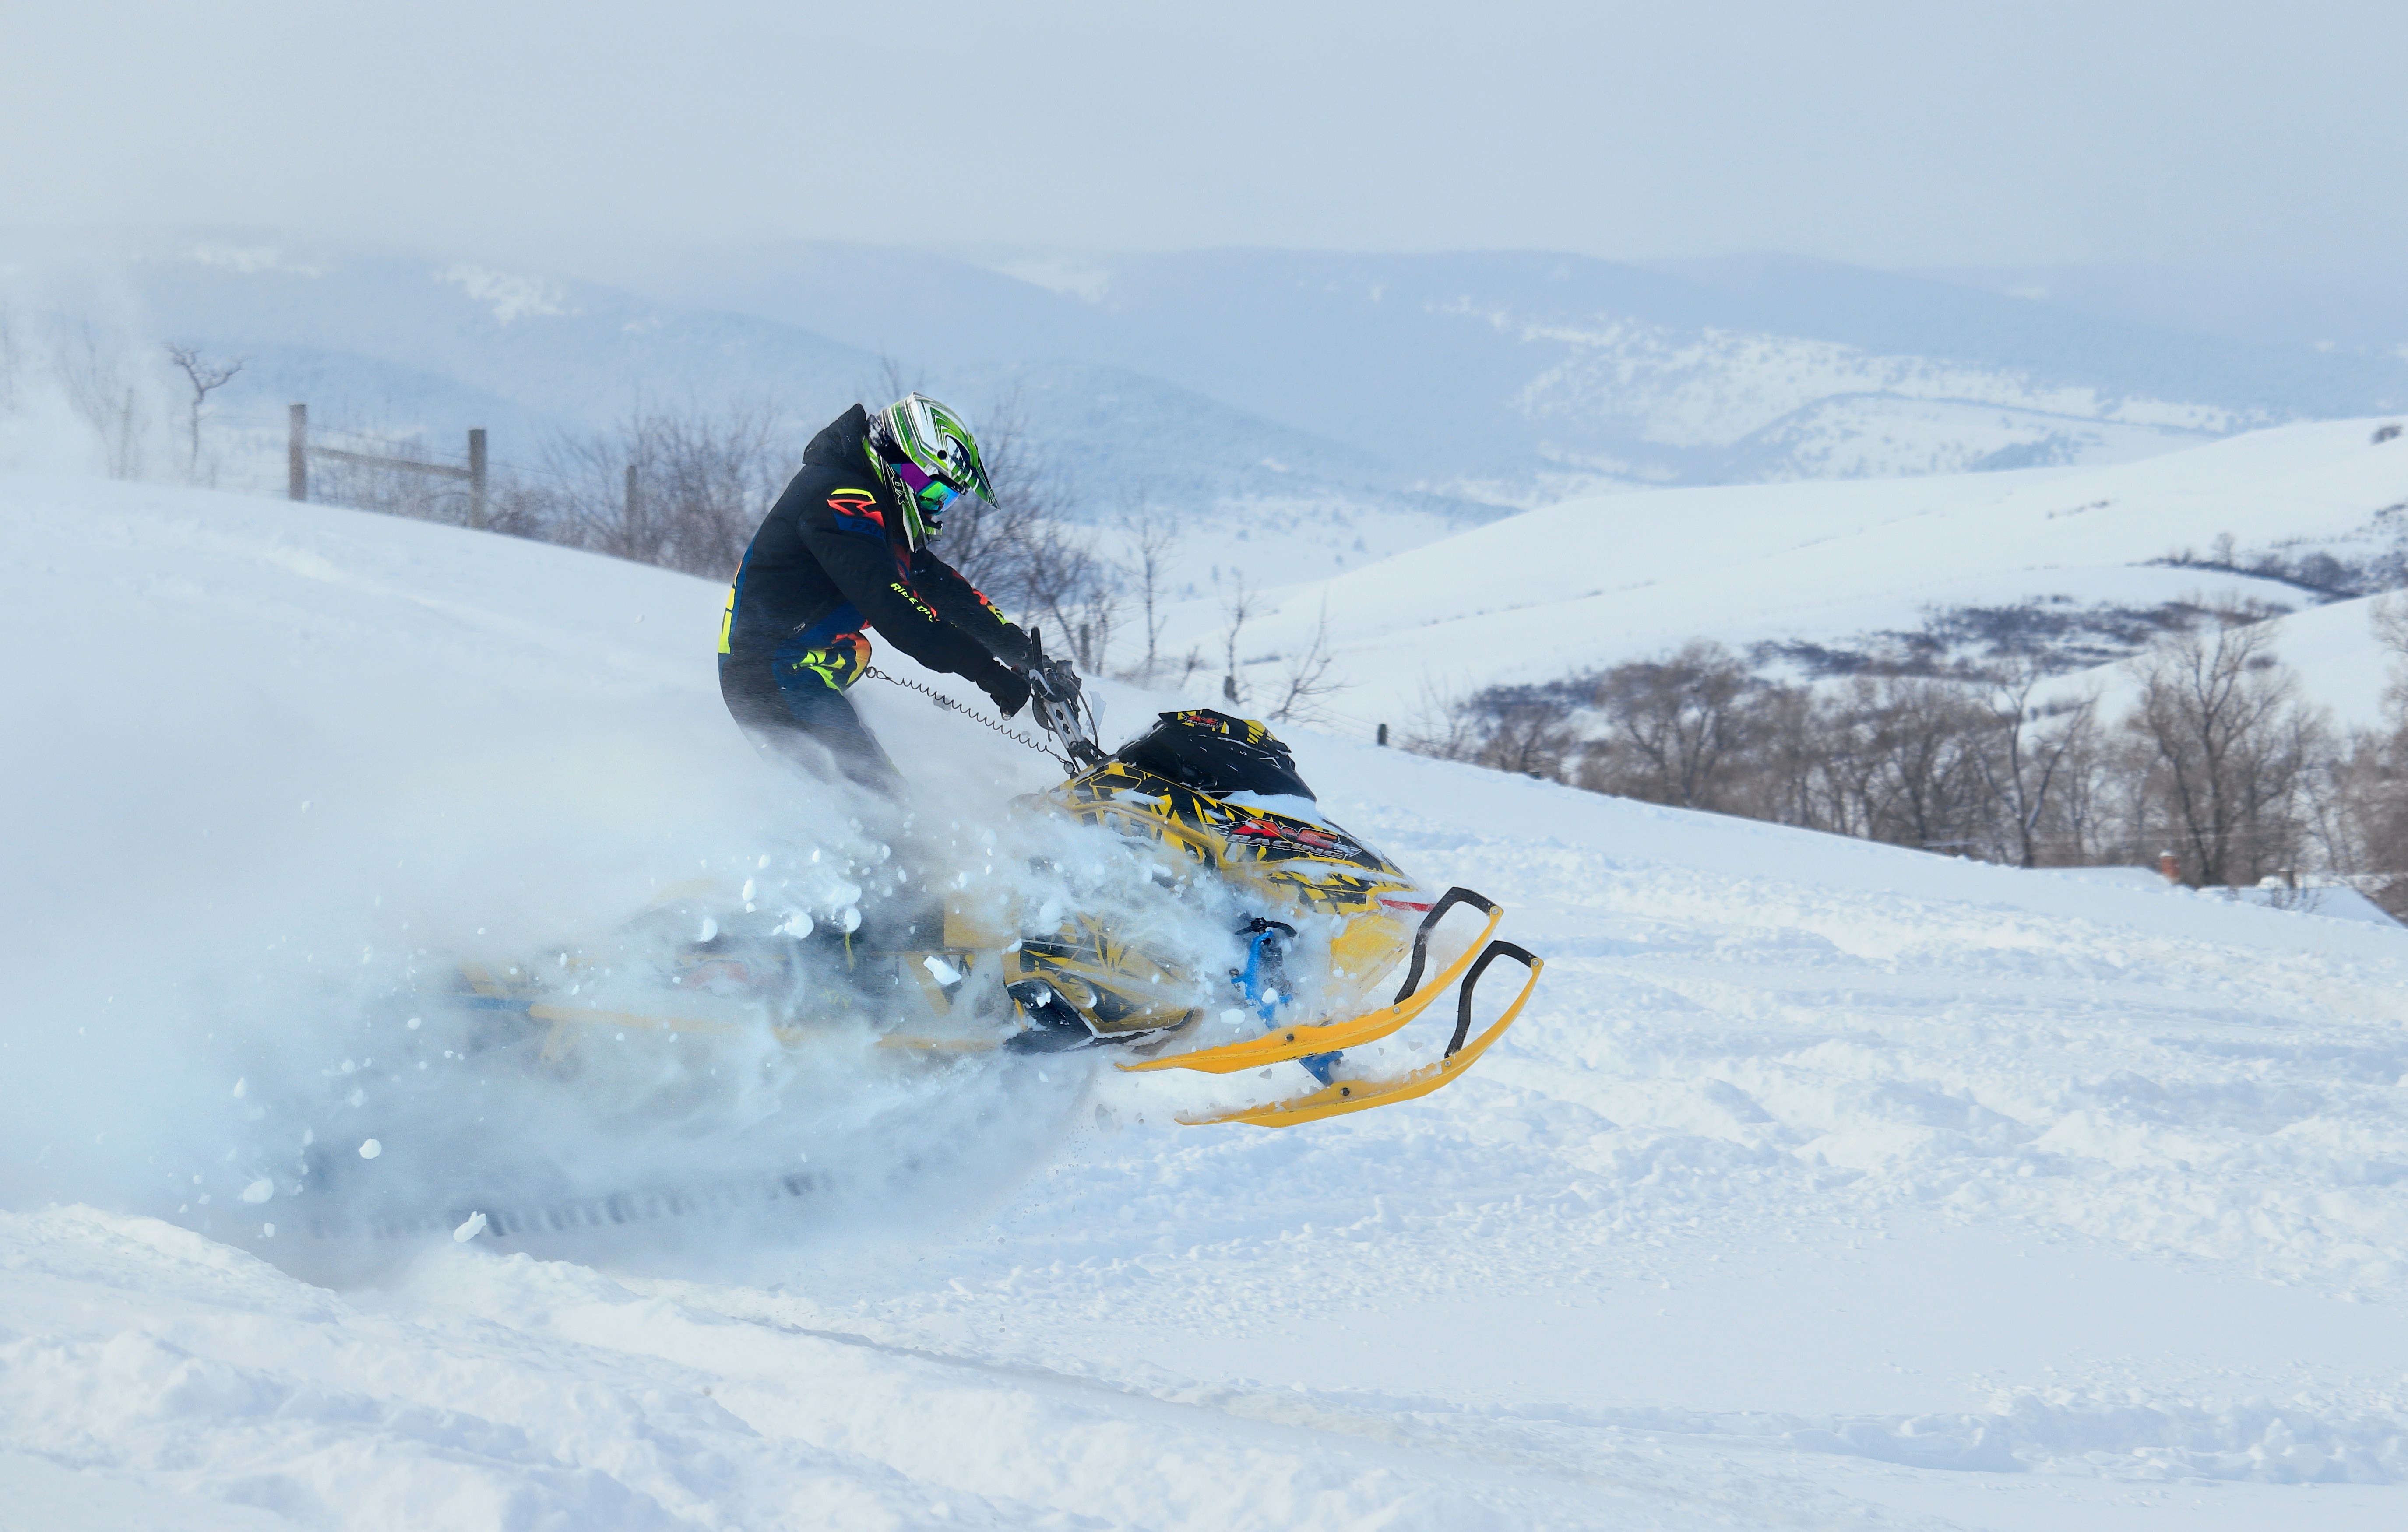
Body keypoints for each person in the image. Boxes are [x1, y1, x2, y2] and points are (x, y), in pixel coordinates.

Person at [718, 394, 1037, 797]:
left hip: (797, 671)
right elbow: (894, 609)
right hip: (773, 676)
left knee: (874, 803)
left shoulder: (870, 502)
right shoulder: (840, 500)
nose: (939, 510)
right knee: (881, 807)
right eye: (939, 495)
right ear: (907, 467)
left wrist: (1022, 653)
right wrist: (986, 671)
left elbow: (938, 585)